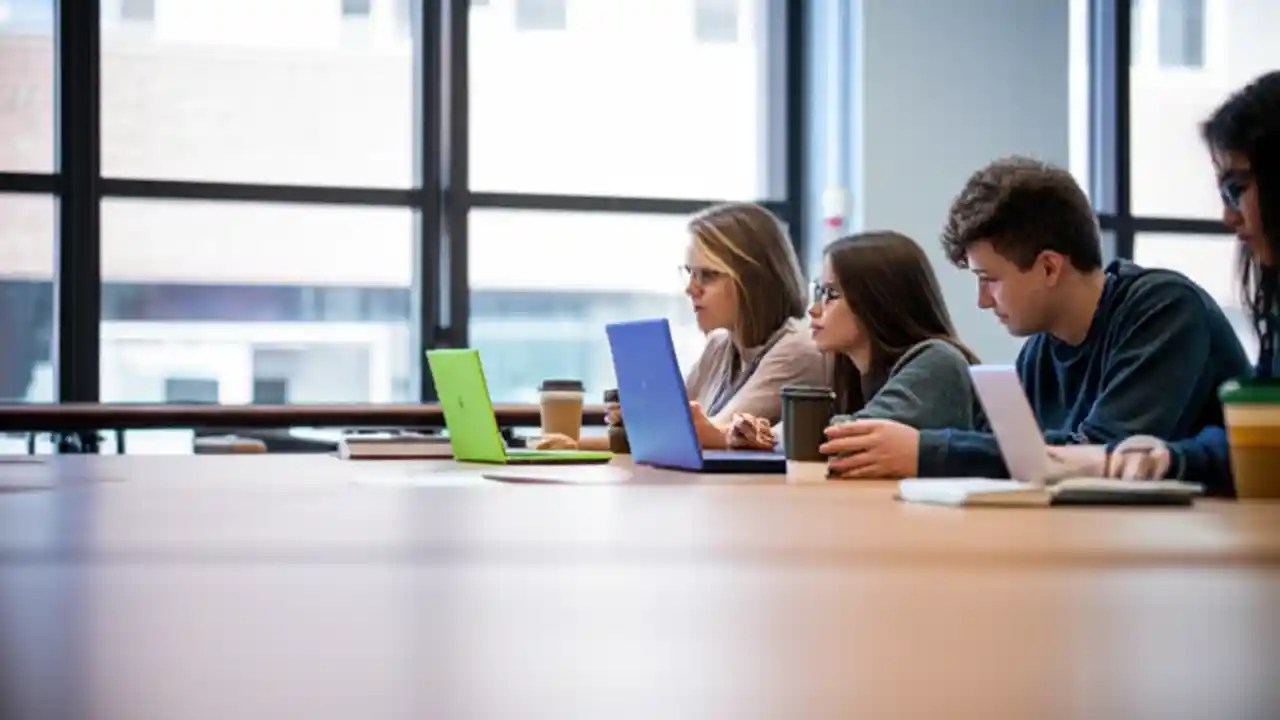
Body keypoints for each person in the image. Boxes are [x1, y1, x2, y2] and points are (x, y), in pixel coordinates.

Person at [819, 156, 1252, 480]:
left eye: (990, 279)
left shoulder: (1164, 309)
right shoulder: (1040, 353)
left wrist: (925, 452)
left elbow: (1096, 454)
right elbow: (1024, 458)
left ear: (1048, 267)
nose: (983, 302)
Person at [1056, 71, 1280, 492]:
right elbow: (1266, 438)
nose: (1228, 218)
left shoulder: (1164, 305)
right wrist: (1170, 457)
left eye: (1236, 189)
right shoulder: (1041, 350)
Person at [556, 202, 825, 452]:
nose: (691, 289)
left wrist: (655, 425)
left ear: (754, 280)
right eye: (690, 273)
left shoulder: (798, 351)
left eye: (707, 275)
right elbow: (673, 433)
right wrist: (572, 445)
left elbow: (707, 436)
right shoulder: (721, 345)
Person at [726, 231, 980, 451]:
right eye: (818, 291)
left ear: (880, 301)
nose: (813, 310)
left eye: (831, 294)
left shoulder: (938, 362)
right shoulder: (853, 372)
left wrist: (770, 435)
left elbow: (845, 440)